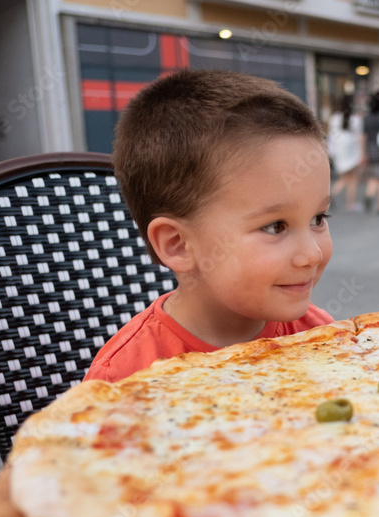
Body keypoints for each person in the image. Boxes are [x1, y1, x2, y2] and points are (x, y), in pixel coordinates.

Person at [85, 70, 334, 383]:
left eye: (319, 219)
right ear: (178, 244)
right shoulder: (125, 380)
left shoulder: (319, 334)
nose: (311, 254)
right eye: (275, 227)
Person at [327, 94, 363, 212]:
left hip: (339, 149)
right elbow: (359, 137)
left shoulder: (334, 118)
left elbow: (331, 136)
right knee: (352, 178)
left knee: (347, 177)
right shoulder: (356, 119)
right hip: (352, 150)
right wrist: (362, 154)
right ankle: (349, 203)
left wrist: (331, 151)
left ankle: (332, 195)